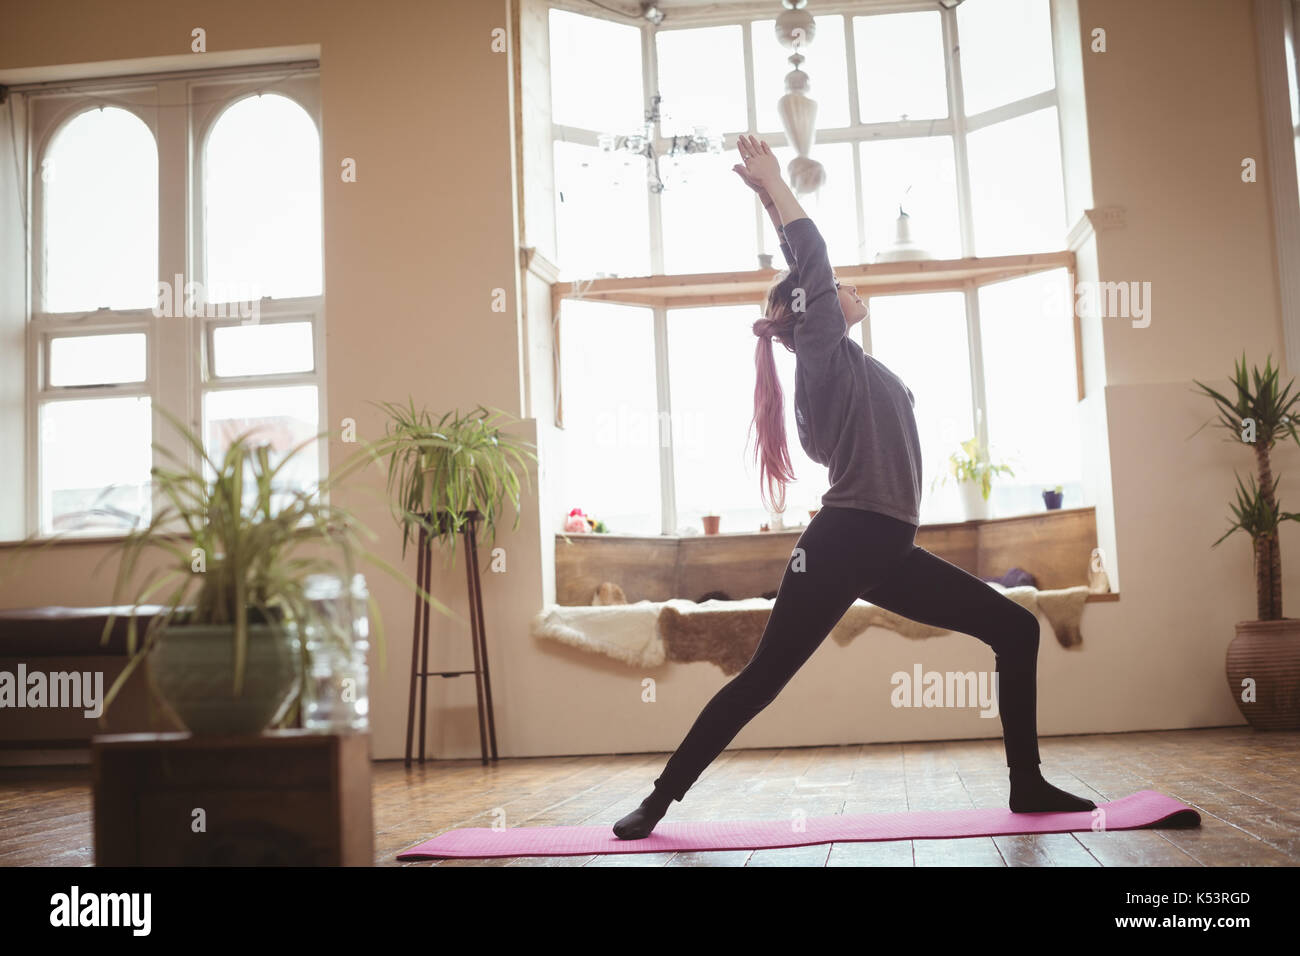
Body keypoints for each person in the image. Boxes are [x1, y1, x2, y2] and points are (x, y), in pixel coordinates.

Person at [612, 134, 1096, 840]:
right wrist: (776, 187)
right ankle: (658, 802)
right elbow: (811, 262)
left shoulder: (836, 362)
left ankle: (1026, 784)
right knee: (761, 681)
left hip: (885, 548)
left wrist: (777, 210)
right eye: (837, 290)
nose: (849, 288)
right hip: (843, 545)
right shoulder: (821, 356)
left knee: (1015, 629)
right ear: (815, 313)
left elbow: (807, 275)